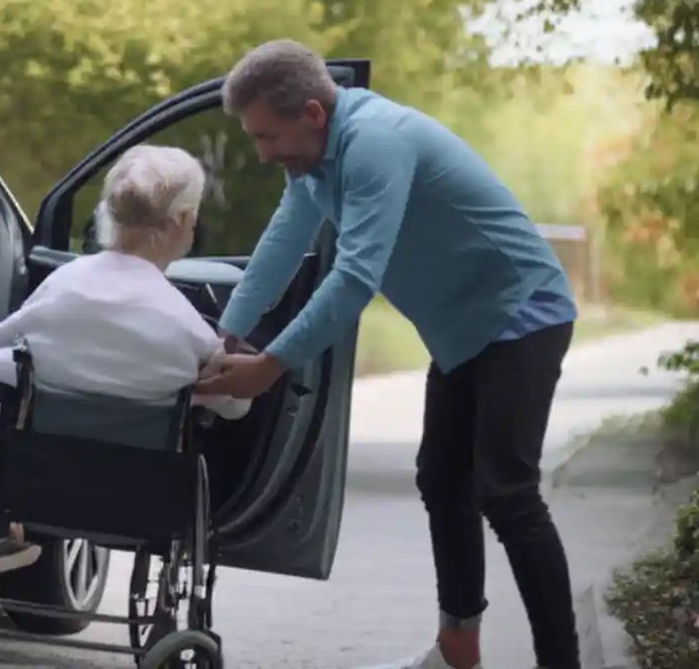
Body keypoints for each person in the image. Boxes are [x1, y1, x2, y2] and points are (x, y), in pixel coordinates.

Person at [195, 39, 580, 669]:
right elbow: (280, 246)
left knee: (506, 492)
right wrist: (224, 338)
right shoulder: (312, 167)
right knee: (440, 477)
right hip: (460, 331)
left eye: (268, 136)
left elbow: (353, 278)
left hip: (522, 312)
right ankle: (459, 647)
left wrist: (270, 367)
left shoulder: (376, 142)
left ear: (313, 115)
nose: (264, 154)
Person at [0, 143, 252, 420]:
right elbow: (236, 406)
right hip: (141, 467)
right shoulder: (185, 323)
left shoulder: (61, 286)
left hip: (34, 463)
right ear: (183, 219)